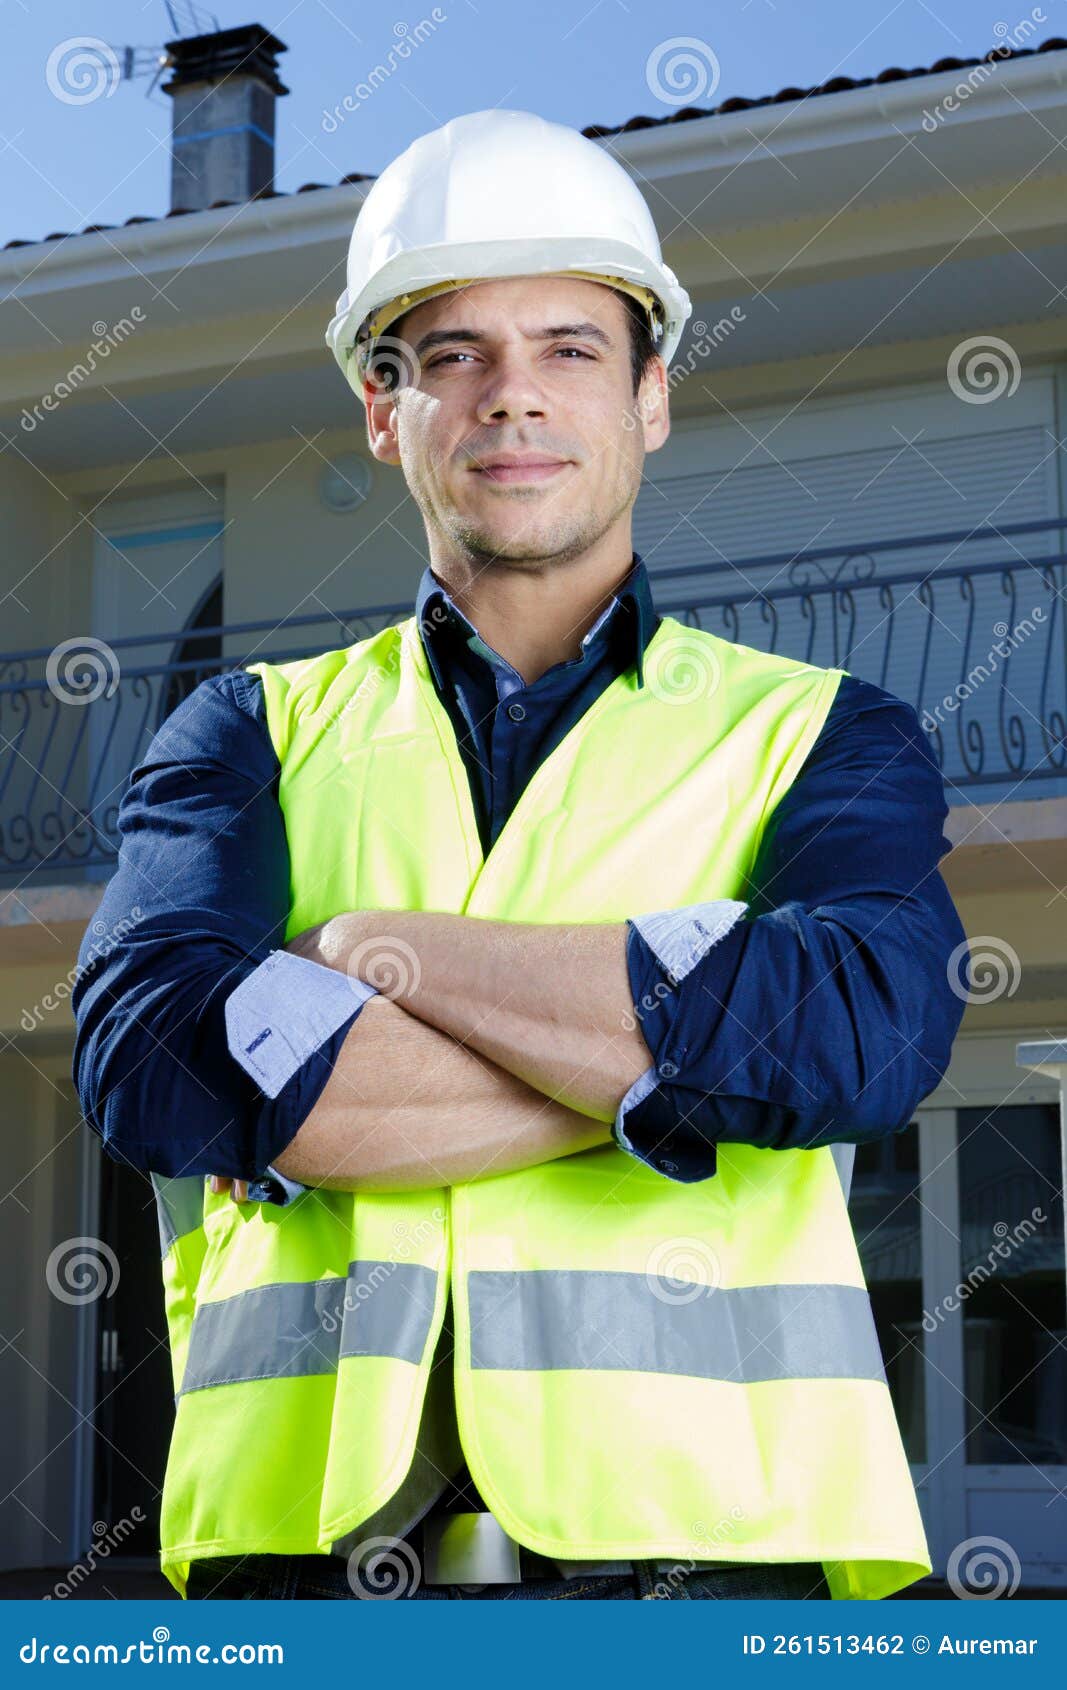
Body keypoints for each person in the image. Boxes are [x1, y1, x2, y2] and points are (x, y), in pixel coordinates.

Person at [71, 109, 968, 1603]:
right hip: (298, 1557)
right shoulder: (244, 730)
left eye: (568, 348)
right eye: (452, 356)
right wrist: (677, 1066)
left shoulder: (821, 732)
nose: (511, 399)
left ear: (651, 397)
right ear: (383, 409)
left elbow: (859, 1028)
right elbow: (156, 1058)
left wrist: (361, 958)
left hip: (713, 1554)